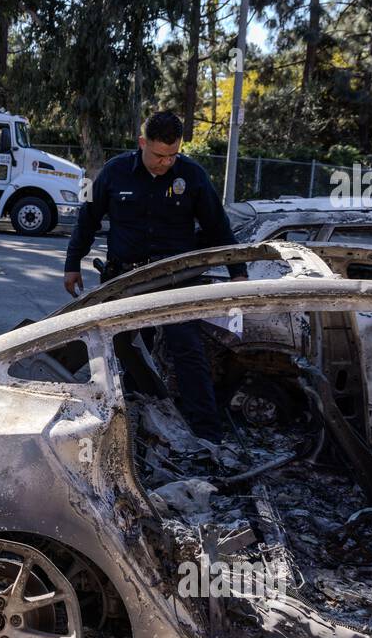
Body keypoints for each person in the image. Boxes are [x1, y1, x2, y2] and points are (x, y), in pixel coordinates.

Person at [63, 111, 246, 442]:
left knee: (188, 352)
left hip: (176, 280)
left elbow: (218, 227)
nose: (165, 163)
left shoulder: (192, 176)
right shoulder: (115, 172)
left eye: (173, 155)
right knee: (122, 355)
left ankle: (207, 436)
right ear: (142, 143)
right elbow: (87, 218)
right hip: (125, 281)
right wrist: (72, 263)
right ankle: (125, 428)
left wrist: (238, 273)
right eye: (159, 155)